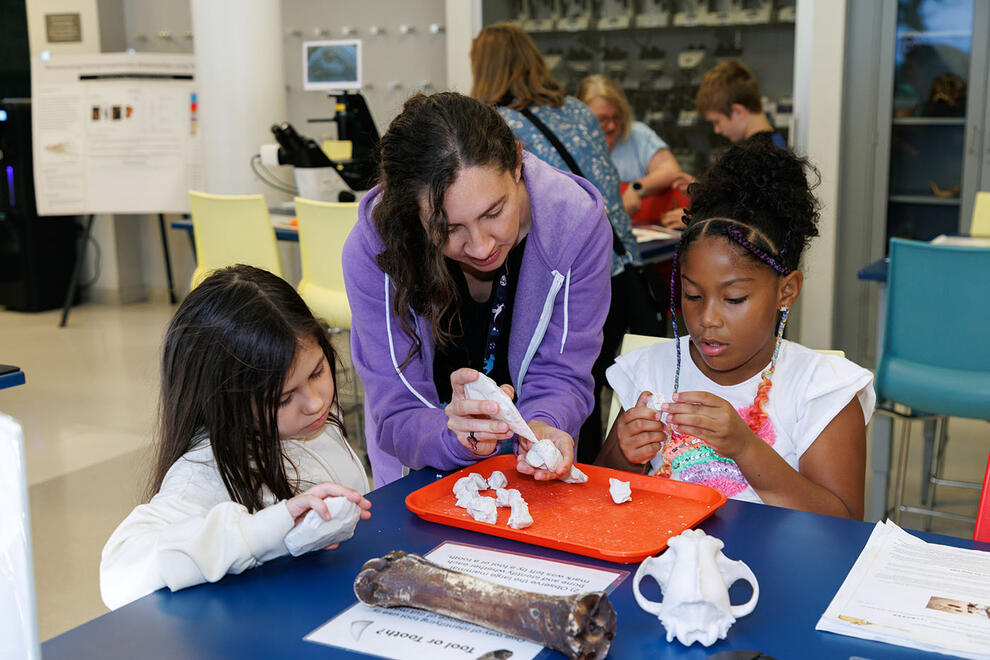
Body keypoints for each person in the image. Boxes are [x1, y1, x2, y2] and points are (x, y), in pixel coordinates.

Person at [342, 92, 612, 487]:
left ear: (517, 163)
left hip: (532, 480)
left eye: (494, 212)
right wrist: (452, 434)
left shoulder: (576, 225)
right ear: (413, 215)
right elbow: (396, 411)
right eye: (448, 228)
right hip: (418, 475)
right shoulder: (377, 247)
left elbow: (563, 373)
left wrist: (543, 425)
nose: (482, 247)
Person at [597, 141, 875, 519]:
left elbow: (842, 526)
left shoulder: (821, 392)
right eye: (693, 295)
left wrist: (746, 448)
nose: (708, 318)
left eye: (734, 298)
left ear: (786, 291)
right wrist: (624, 454)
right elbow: (599, 497)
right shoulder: (649, 372)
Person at [100, 265, 372, 609]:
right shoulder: (202, 471)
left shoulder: (310, 421)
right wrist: (265, 530)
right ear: (227, 401)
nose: (315, 402)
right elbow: (118, 574)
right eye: (283, 399)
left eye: (317, 372)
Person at [470, 23, 662, 465]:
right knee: (596, 392)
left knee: (564, 392)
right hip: (619, 265)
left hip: (567, 272)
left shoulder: (494, 129)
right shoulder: (578, 110)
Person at [577, 73, 692, 229]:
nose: (611, 126)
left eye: (616, 117)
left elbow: (671, 170)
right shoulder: (573, 145)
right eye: (602, 119)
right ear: (581, 118)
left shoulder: (637, 134)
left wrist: (636, 188)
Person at [695, 59, 787, 149]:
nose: (716, 130)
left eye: (717, 122)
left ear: (738, 112)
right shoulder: (777, 141)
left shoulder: (753, 154)